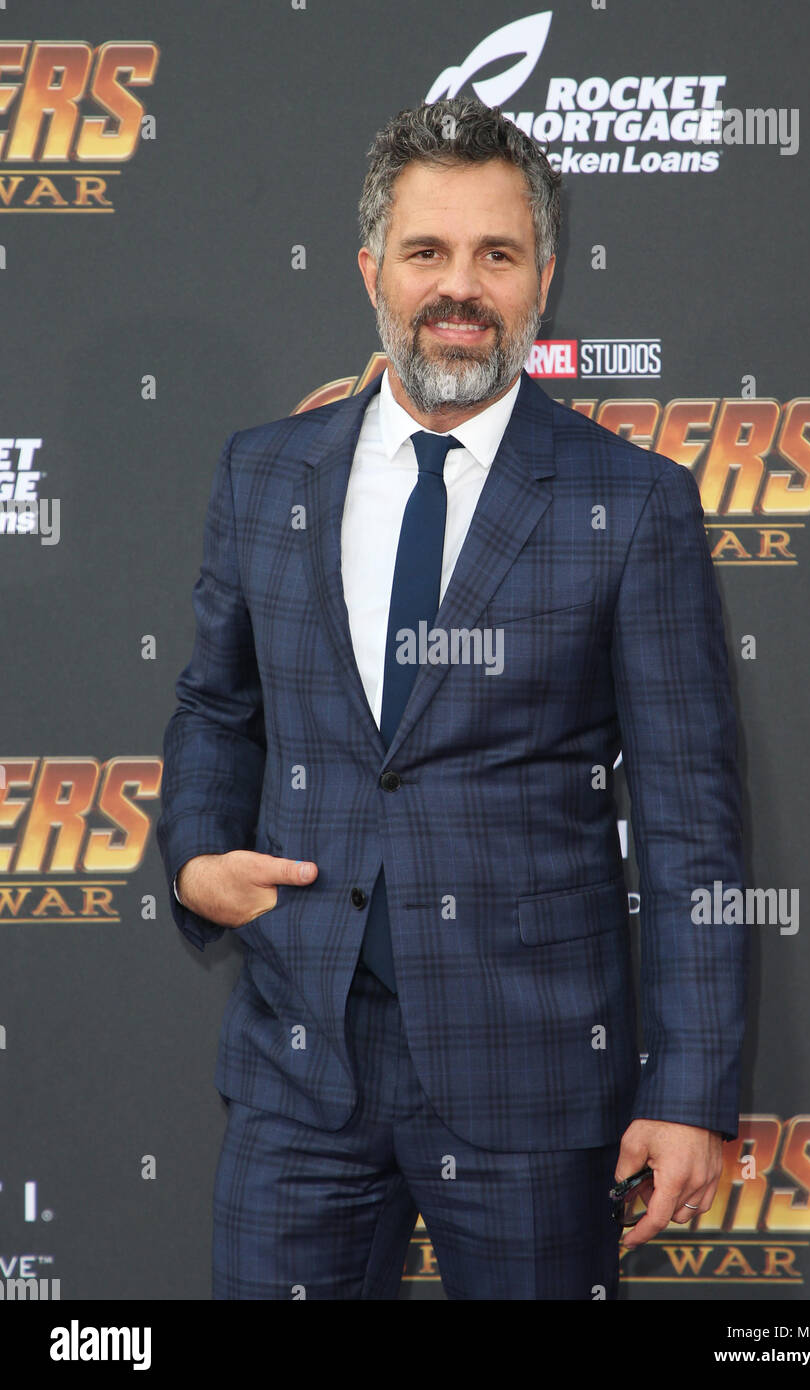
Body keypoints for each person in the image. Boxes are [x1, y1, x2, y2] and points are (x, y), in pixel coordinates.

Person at [156, 95, 749, 1301]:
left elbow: (690, 821)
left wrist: (688, 1089)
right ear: (372, 267)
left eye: (496, 253)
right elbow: (217, 705)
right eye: (427, 251)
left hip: (531, 1078)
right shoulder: (262, 472)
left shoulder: (629, 505)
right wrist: (194, 852)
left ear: (541, 280)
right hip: (299, 1061)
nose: (458, 286)